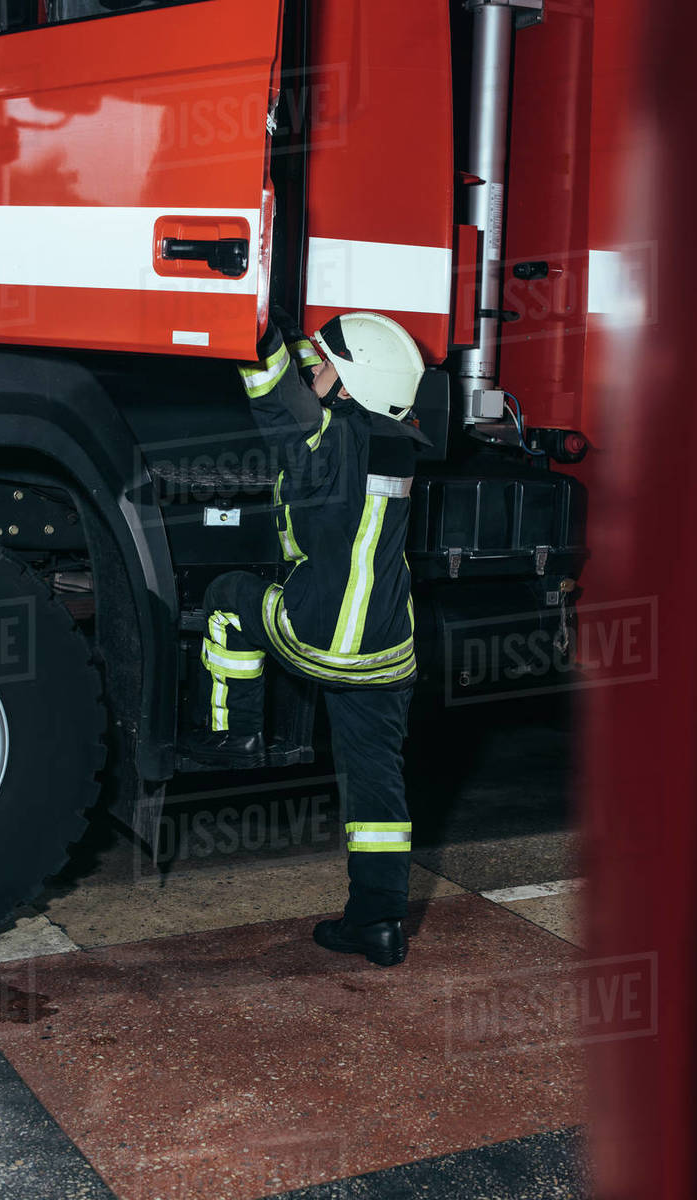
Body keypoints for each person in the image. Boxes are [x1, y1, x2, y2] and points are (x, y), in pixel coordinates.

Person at [188, 306, 430, 966]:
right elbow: (320, 388)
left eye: (323, 366)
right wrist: (307, 341)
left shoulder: (321, 440)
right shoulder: (399, 441)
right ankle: (378, 924)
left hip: (314, 635)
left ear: (347, 386)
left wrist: (252, 318)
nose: (311, 372)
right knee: (377, 786)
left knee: (225, 602)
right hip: (386, 651)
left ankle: (233, 732)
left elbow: (272, 391)